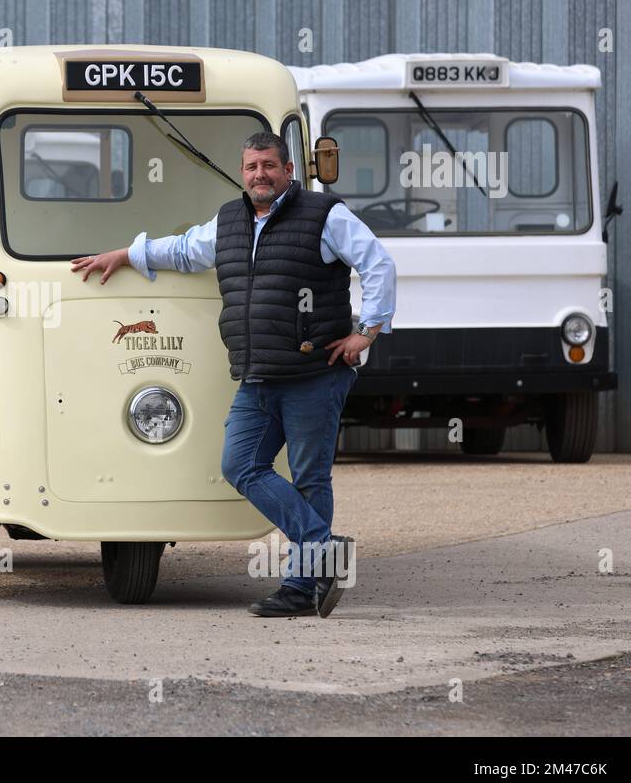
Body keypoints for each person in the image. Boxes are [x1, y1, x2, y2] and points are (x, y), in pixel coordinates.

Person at [70, 132, 396, 617]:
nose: (259, 175)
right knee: (239, 465)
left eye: (268, 165)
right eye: (250, 167)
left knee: (309, 479)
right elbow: (182, 251)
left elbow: (378, 263)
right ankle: (323, 547)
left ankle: (302, 589)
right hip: (258, 375)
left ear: (288, 170)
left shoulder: (326, 214)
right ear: (242, 172)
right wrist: (126, 254)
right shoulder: (230, 220)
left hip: (313, 372)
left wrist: (367, 333)